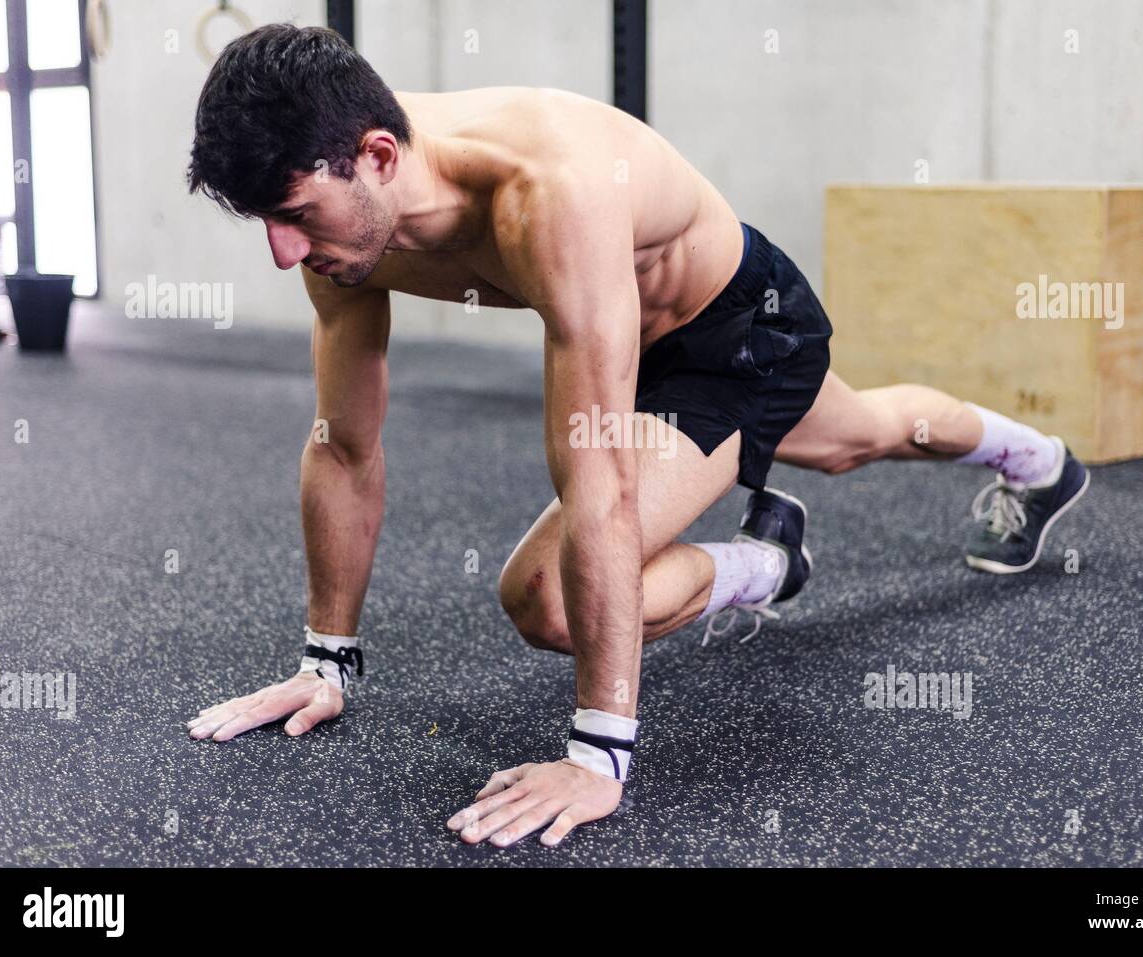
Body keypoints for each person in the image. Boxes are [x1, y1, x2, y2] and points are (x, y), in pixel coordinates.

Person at [184, 24, 1088, 848]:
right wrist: (325, 661)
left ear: (377, 156)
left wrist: (597, 754)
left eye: (294, 215)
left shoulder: (547, 193)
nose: (281, 252)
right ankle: (858, 530)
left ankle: (1006, 473)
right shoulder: (339, 221)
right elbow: (344, 446)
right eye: (264, 220)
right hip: (626, 339)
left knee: (558, 593)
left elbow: (602, 483)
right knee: (858, 433)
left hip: (736, 338)